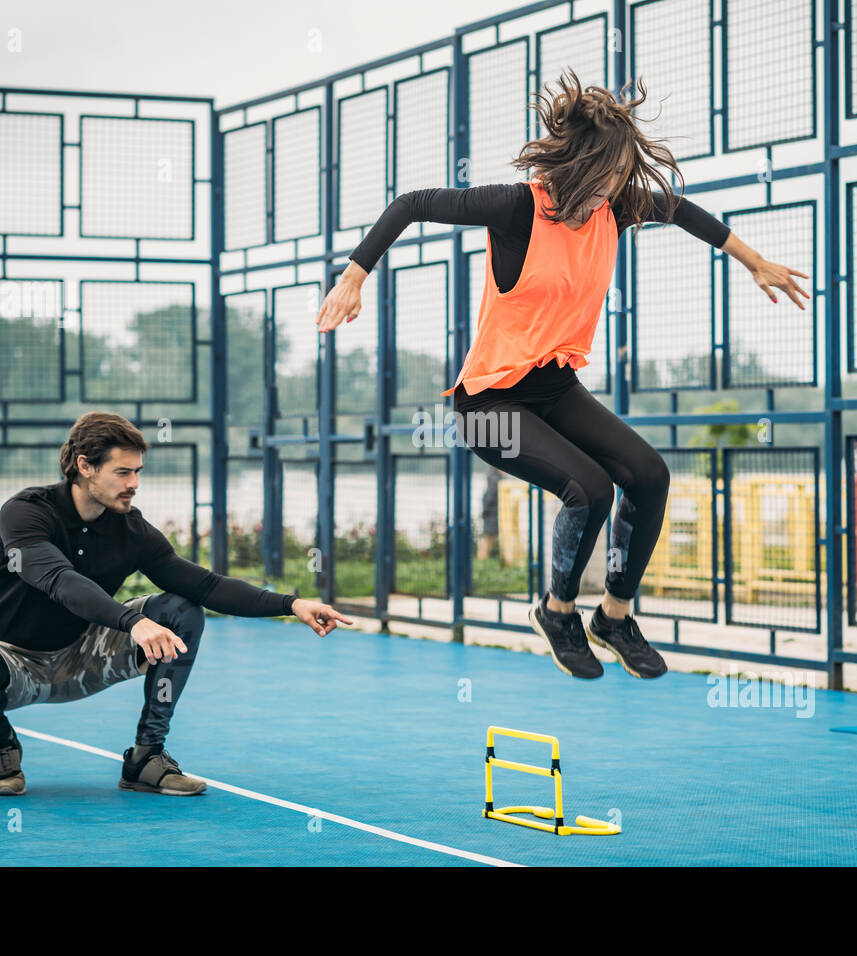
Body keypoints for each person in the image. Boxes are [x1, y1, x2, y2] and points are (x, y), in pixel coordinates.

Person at [316, 71, 808, 680]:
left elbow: (681, 212)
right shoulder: (517, 206)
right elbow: (412, 204)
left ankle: (615, 617)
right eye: (609, 175)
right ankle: (556, 611)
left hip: (554, 388)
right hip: (489, 407)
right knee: (592, 489)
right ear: (579, 168)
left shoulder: (613, 210)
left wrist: (755, 262)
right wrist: (354, 275)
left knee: (649, 474)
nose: (619, 188)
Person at [0, 411, 352, 796]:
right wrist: (132, 622)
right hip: (12, 663)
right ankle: (3, 746)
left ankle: (146, 757)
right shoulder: (26, 513)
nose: (134, 482)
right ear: (85, 466)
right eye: (122, 471)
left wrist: (291, 604)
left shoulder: (130, 529)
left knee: (181, 610)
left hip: (85, 652)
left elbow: (204, 585)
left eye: (137, 471)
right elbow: (59, 580)